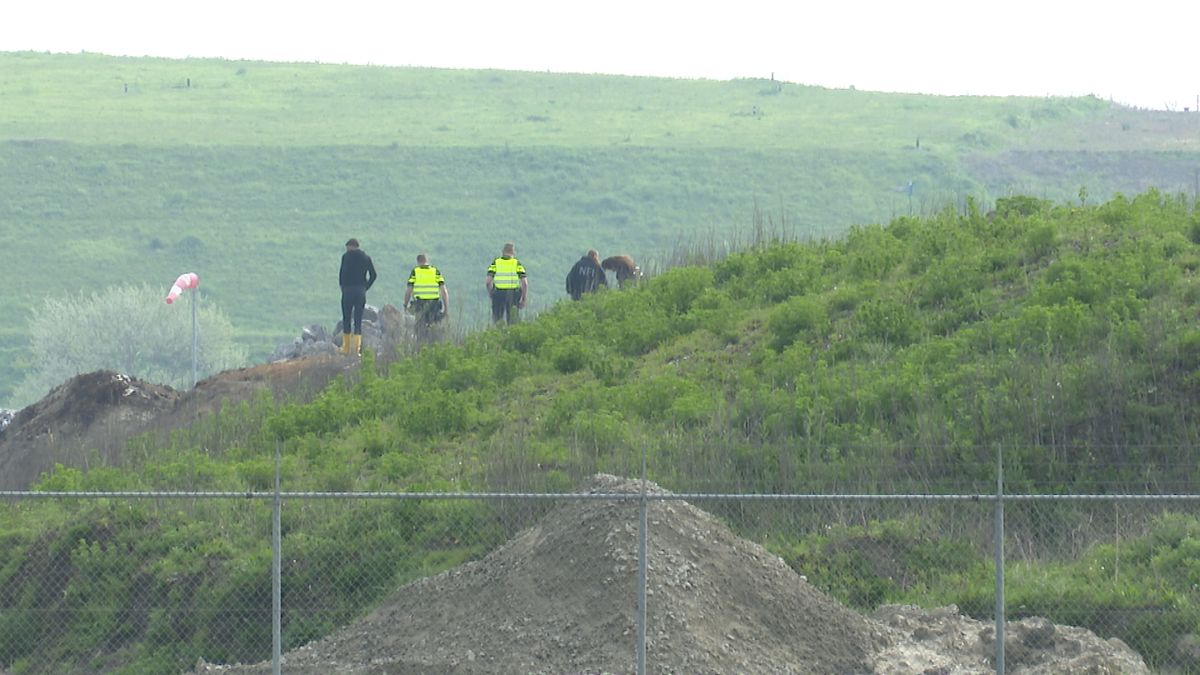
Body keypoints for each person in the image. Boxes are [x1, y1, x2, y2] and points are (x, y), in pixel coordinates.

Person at [339, 238, 377, 355]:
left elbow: (341, 274)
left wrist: (343, 287)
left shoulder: (346, 257)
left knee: (346, 318)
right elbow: (373, 275)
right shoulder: (366, 258)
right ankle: (356, 349)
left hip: (348, 291)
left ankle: (345, 348)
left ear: (351, 246)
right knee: (358, 319)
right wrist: (366, 287)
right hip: (360, 291)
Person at [404, 253, 450, 341]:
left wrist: (405, 305)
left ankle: (420, 349)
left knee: (420, 332)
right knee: (434, 331)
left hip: (420, 306)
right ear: (427, 260)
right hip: (434, 306)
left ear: (418, 261)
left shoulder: (415, 272)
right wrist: (446, 309)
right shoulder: (435, 271)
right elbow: (444, 292)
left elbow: (409, 291)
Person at [485, 242, 528, 324]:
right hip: (513, 294)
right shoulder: (516, 263)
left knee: (498, 321)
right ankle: (511, 336)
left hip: (498, 294)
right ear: (513, 252)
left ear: (502, 252)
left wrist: (491, 294)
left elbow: (488, 282)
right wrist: (523, 298)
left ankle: (498, 335)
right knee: (513, 322)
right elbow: (525, 283)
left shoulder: (496, 263)